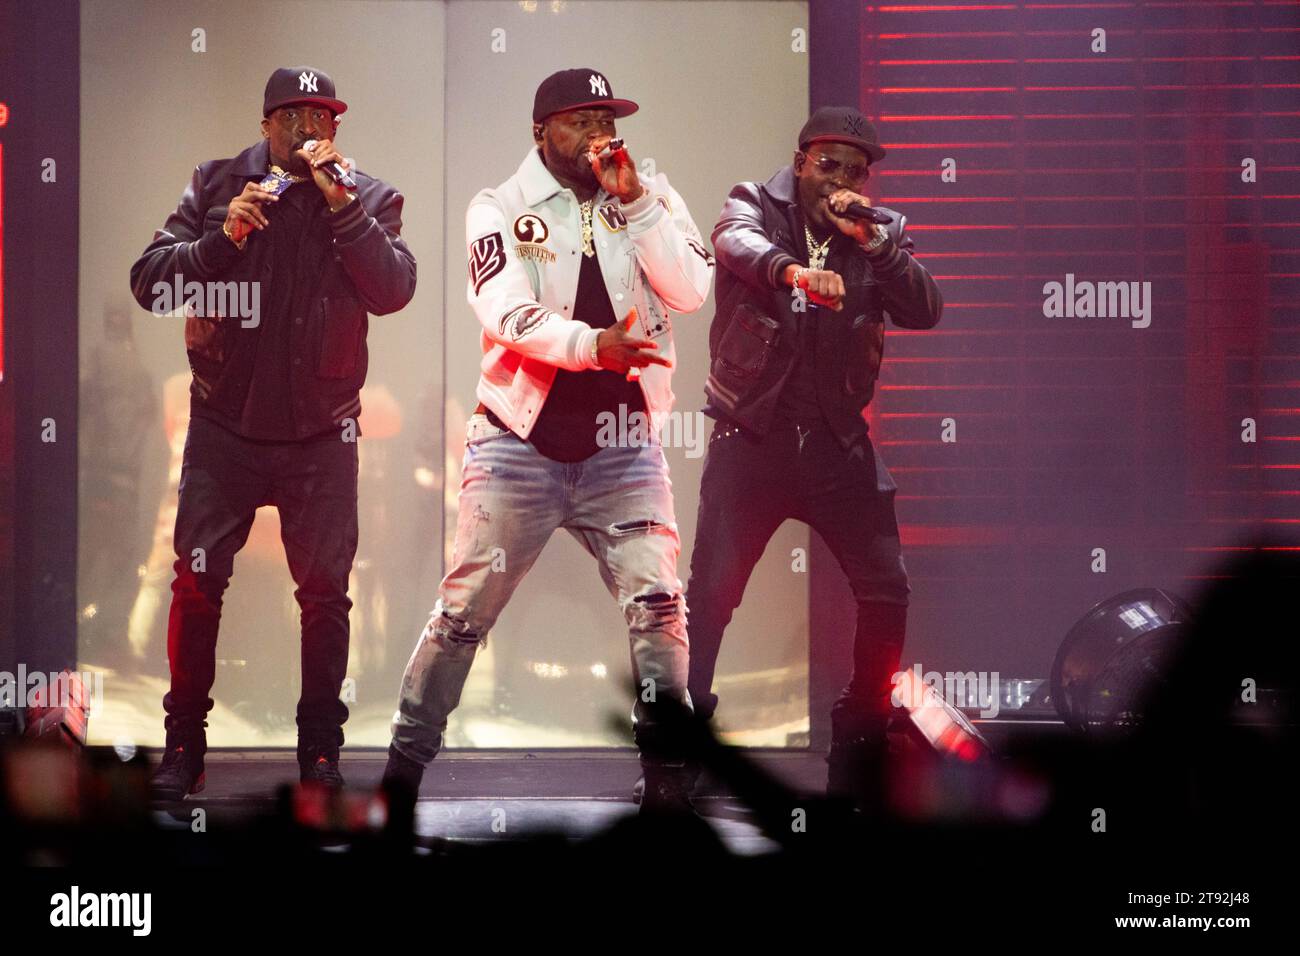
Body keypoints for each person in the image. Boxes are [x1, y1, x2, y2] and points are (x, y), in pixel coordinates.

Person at [382, 68, 713, 812]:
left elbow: (691, 291)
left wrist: (636, 201)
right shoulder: (498, 207)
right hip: (517, 445)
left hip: (623, 446)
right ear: (541, 132)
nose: (601, 133)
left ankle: (664, 782)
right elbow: (505, 312)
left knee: (659, 607)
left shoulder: (648, 194)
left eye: (608, 118)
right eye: (581, 120)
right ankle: (402, 773)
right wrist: (594, 345)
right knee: (463, 615)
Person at [129, 66, 417, 798]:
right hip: (226, 425)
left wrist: (344, 209)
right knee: (197, 583)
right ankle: (182, 747)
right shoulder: (216, 182)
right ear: (265, 124)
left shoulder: (369, 196)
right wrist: (222, 238)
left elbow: (394, 290)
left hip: (322, 433)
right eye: (294, 115)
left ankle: (319, 752)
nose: (309, 128)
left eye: (323, 116)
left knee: (324, 595)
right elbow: (151, 283)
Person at [686, 106, 943, 797]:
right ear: (801, 163)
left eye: (857, 171)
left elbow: (925, 308)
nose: (842, 179)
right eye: (829, 164)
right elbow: (732, 243)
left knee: (887, 590)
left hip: (836, 444)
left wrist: (881, 247)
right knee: (710, 599)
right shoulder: (756, 205)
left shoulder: (877, 233)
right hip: (754, 440)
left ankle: (858, 734)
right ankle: (683, 742)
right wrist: (794, 273)